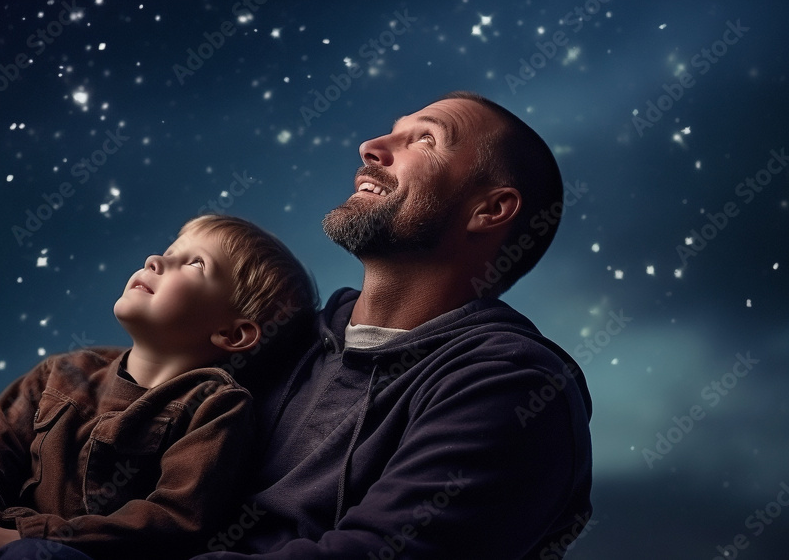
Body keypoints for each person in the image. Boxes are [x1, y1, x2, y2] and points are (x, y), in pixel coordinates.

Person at [184, 91, 593, 559]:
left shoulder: (516, 388)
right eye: (393, 130)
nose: (370, 147)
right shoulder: (279, 342)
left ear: (490, 210)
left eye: (424, 139)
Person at [0, 215, 316, 560]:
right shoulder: (61, 374)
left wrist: (29, 536)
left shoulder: (217, 406)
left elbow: (178, 520)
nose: (157, 260)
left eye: (195, 264)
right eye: (168, 249)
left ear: (233, 332)